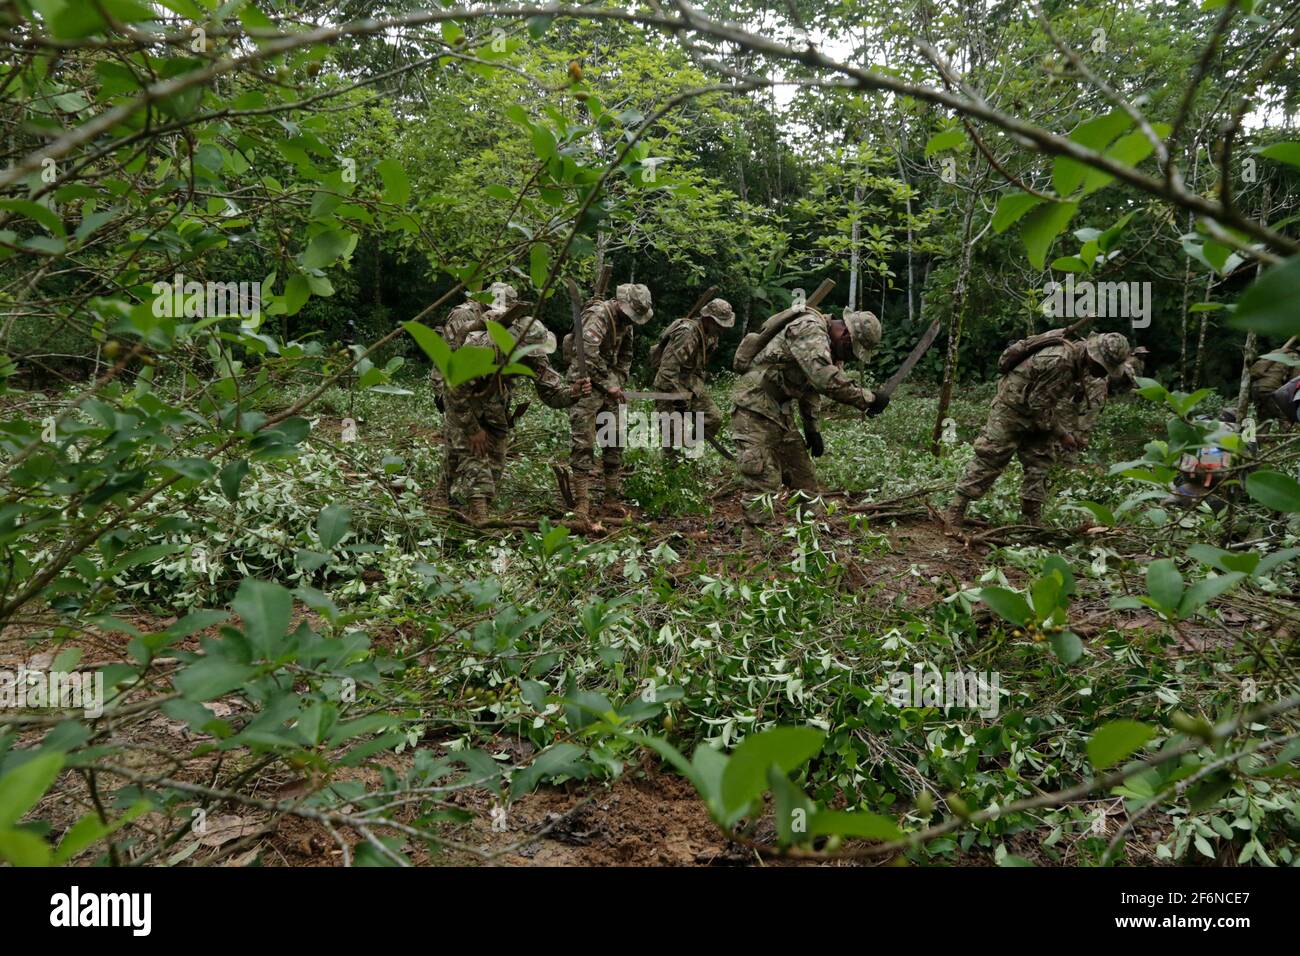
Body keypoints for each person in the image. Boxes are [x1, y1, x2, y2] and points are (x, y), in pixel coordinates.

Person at [945, 331, 1131, 526]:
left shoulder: (1079, 361)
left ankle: (1030, 518)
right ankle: (955, 511)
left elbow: (1048, 406)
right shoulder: (1061, 361)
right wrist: (1063, 434)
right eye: (1102, 367)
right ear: (1092, 356)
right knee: (991, 456)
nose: (1102, 373)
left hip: (1038, 414)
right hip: (1012, 409)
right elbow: (1038, 406)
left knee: (1040, 462)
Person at [731, 307, 886, 518]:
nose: (850, 357)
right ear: (846, 335)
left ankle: (811, 535)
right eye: (852, 350)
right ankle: (753, 549)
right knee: (762, 483)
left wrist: (812, 429)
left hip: (779, 413)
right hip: (753, 408)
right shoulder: (810, 328)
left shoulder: (829, 346)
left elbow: (810, 390)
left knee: (805, 481)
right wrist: (868, 398)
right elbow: (824, 379)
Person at [445, 313, 590, 522]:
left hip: (495, 408)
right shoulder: (480, 349)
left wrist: (573, 393)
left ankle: (468, 506)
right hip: (463, 405)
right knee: (475, 458)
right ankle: (480, 521)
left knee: (495, 464)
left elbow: (551, 393)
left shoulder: (535, 355)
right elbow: (454, 392)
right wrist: (473, 430)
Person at [567, 283, 653, 521]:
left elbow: (626, 355)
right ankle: (582, 502)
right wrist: (608, 384)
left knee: (614, 439)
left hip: (609, 384)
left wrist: (619, 381)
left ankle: (611, 497)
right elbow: (586, 353)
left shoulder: (627, 324)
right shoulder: (598, 315)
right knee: (583, 442)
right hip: (586, 384)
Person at [432, 282, 518, 504]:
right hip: (457, 386)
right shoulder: (464, 315)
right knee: (460, 443)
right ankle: (448, 496)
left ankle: (446, 494)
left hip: (484, 391)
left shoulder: (503, 323)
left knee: (460, 446)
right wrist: (443, 393)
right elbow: (449, 354)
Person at [652, 297, 734, 463]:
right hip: (669, 386)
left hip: (692, 384)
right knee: (673, 438)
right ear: (708, 319)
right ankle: (671, 471)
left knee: (713, 419)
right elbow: (667, 370)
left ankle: (688, 450)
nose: (722, 329)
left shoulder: (711, 334)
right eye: (719, 324)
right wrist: (677, 397)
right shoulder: (687, 333)